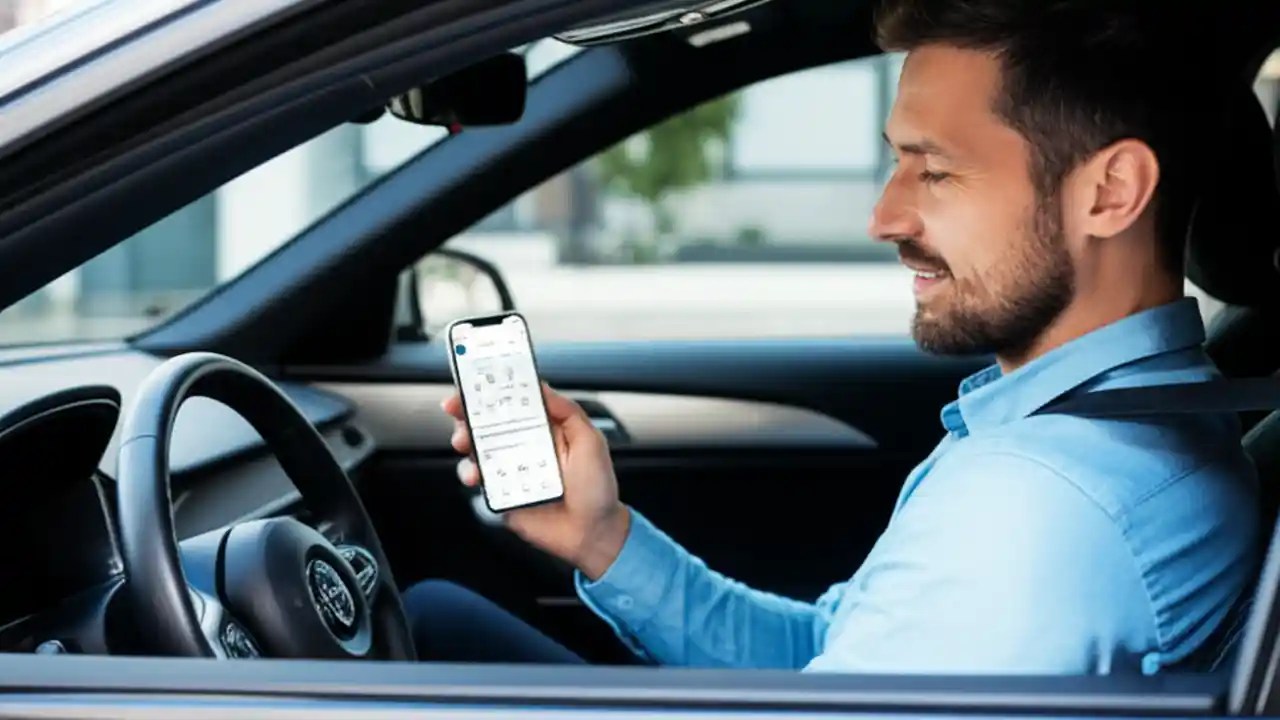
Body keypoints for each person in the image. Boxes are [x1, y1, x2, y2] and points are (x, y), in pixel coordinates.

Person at [408, 0, 1260, 674]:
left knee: (422, 631)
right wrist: (602, 540)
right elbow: (831, 656)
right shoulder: (1147, 420)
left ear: (1110, 193)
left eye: (935, 170)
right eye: (895, 162)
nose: (884, 216)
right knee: (439, 620)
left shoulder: (1036, 508)